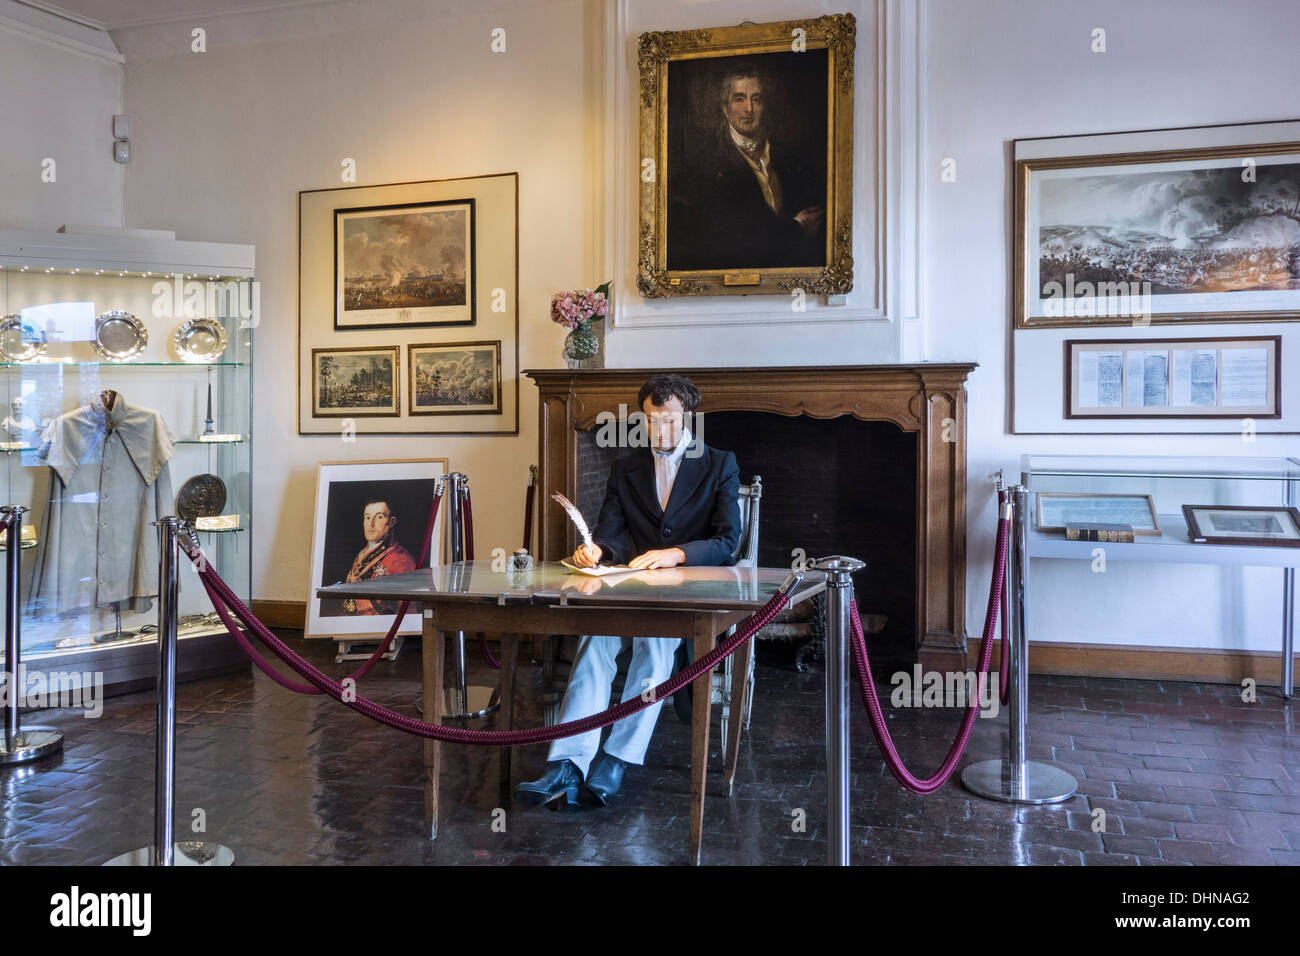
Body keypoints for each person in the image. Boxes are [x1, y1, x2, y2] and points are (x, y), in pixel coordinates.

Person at [514, 373, 742, 809]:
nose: (662, 430)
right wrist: (596, 549)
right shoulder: (626, 467)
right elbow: (613, 535)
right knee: (593, 646)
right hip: (629, 586)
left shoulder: (719, 462)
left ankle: (615, 760)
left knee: (653, 653)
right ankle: (566, 764)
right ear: (643, 418)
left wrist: (676, 553)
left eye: (671, 420)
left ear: (687, 416)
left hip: (685, 593)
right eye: (654, 420)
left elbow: (729, 541)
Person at [668, 62, 826, 271]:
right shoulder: (704, 168)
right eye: (739, 98)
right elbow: (731, 242)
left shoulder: (792, 161)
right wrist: (797, 228)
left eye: (756, 99)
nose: (749, 108)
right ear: (725, 108)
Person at [341, 498, 416, 615]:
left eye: (379, 517)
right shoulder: (362, 554)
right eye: (367, 517)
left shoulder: (402, 560)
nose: (371, 524)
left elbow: (408, 613)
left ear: (391, 522)